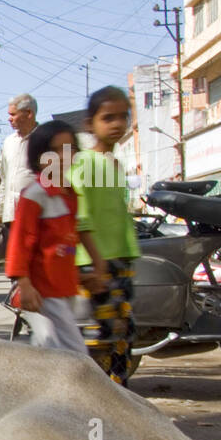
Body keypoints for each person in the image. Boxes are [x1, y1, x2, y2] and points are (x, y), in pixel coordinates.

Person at [4, 120, 104, 355]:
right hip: (43, 293)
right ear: (39, 157)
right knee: (75, 354)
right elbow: (20, 242)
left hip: (64, 289)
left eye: (69, 149)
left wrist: (88, 271)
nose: (62, 156)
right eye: (55, 150)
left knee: (47, 353)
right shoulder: (36, 195)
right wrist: (24, 284)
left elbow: (69, 240)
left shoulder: (69, 195)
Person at [72, 86, 139, 385]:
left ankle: (118, 397)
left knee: (122, 333)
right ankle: (98, 400)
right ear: (90, 123)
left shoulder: (114, 163)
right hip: (97, 262)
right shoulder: (84, 162)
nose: (116, 124)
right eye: (107, 117)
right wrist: (92, 264)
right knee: (103, 336)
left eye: (122, 117)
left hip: (120, 259)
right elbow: (79, 215)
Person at [0, 93, 37, 232]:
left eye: (13, 114)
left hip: (36, 218)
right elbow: (4, 181)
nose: (9, 119)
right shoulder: (8, 142)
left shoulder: (45, 140)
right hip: (10, 218)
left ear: (29, 113)